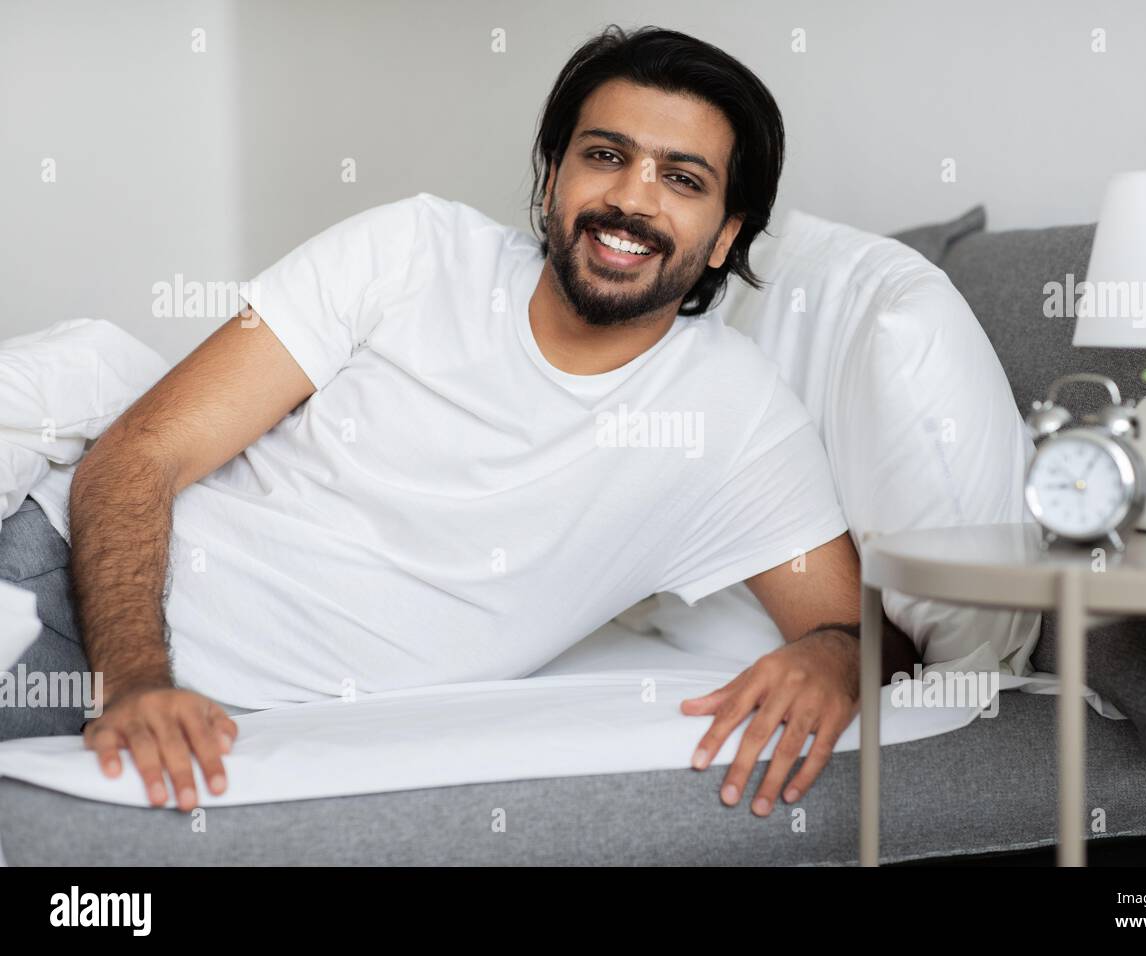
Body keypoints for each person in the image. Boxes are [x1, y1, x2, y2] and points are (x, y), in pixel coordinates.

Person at [0, 25, 919, 819]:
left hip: (193, 699)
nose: (633, 199)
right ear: (553, 176)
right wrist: (136, 685)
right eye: (605, 156)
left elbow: (861, 635)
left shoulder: (734, 417)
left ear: (724, 235)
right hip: (66, 594)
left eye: (682, 178)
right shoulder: (410, 251)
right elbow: (136, 453)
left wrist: (834, 660)